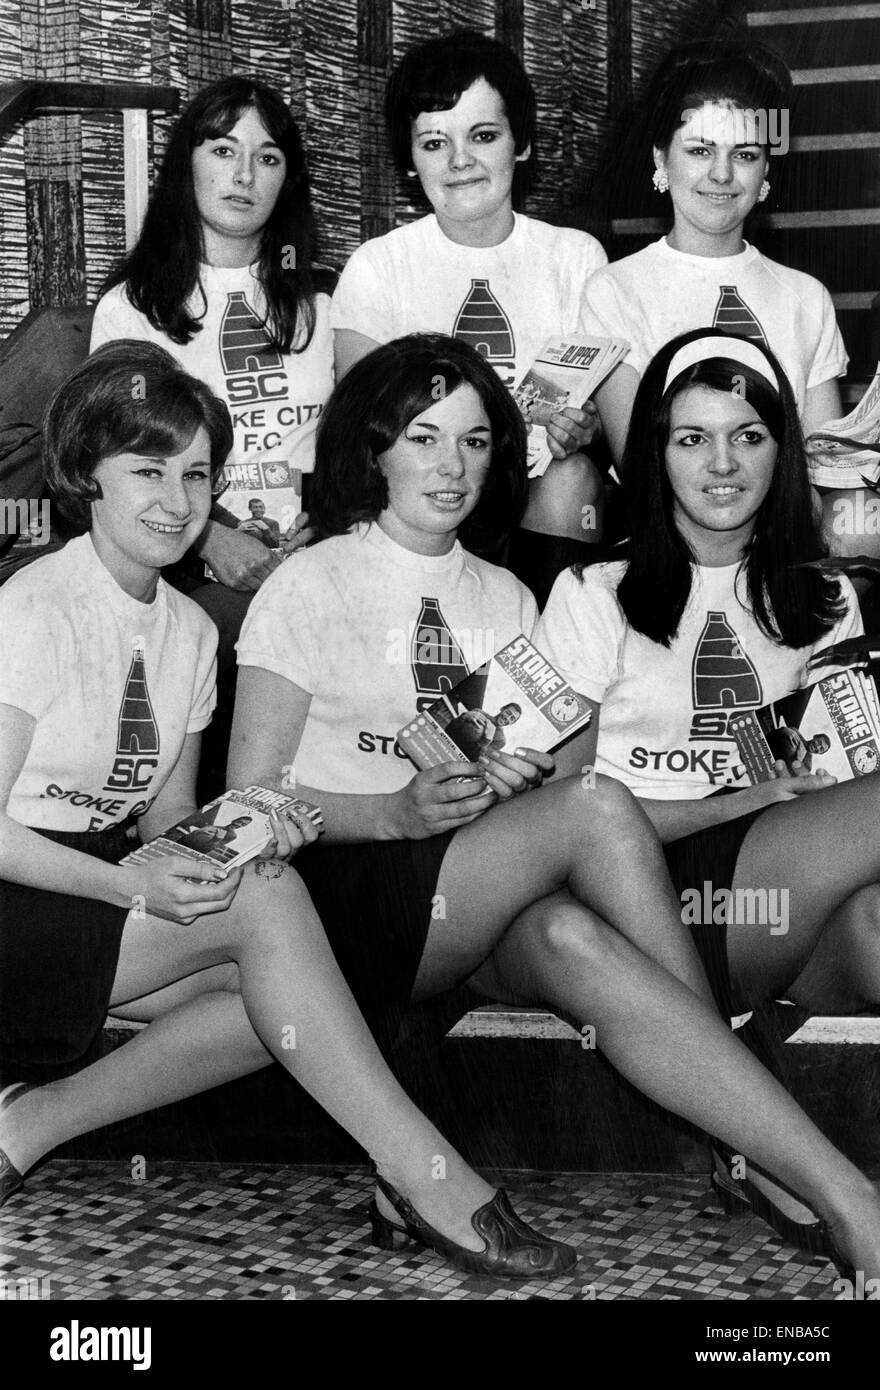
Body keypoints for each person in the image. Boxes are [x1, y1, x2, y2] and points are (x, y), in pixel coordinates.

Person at [229, 332, 880, 1291]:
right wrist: (399, 811)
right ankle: (829, 1186)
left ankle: (763, 1155)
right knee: (594, 810)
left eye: (479, 442)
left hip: (507, 890)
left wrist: (503, 784)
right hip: (362, 889)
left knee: (578, 930)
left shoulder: (504, 596)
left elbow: (558, 782)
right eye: (424, 437)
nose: (453, 466)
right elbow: (248, 796)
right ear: (374, 449)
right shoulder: (313, 582)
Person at [0, 341, 576, 1282]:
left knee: (280, 990)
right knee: (269, 911)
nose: (178, 501)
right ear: (83, 480)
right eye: (147, 470)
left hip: (91, 899)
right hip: (25, 893)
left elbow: (167, 819)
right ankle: (433, 1178)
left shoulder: (188, 627)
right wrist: (125, 886)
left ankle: (27, 1123)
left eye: (198, 474)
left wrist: (258, 826)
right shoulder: (34, 606)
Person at [537, 327, 880, 1262]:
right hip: (651, 895)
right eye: (691, 438)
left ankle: (753, 1107)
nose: (722, 463)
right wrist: (727, 806)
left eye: (749, 434)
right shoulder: (593, 590)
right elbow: (564, 819)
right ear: (654, 454)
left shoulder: (823, 596)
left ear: (783, 448)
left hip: (779, 902)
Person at [330, 29, 609, 605]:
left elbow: (610, 416)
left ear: (521, 143)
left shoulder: (575, 256)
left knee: (573, 476)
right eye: (434, 144)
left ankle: (549, 660)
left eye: (483, 136)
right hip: (422, 491)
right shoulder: (377, 266)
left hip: (534, 499)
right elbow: (357, 432)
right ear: (409, 158)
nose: (460, 161)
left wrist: (584, 427)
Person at [583, 40, 847, 471]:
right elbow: (640, 469)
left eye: (744, 155)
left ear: (766, 171)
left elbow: (827, 469)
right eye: (700, 151)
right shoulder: (613, 291)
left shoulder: (807, 296)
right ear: (660, 158)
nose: (722, 174)